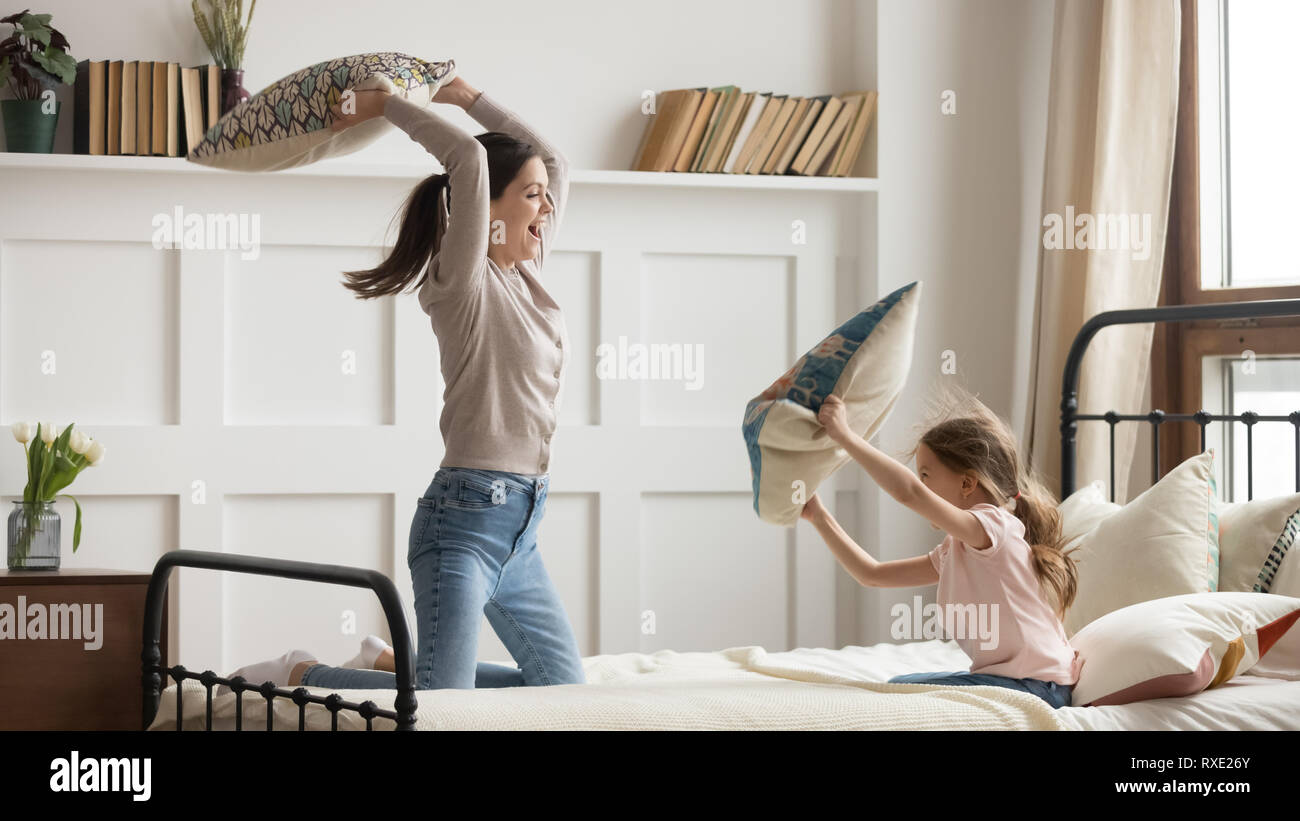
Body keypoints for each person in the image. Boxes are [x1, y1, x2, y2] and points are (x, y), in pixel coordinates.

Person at [219, 73, 585, 695]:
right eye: (531, 196)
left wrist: (472, 100)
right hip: (464, 525)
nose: (547, 207)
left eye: (546, 198)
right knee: (443, 703)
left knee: (561, 686)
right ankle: (300, 672)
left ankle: (389, 664)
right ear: (488, 208)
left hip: (521, 528)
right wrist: (390, 105)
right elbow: (467, 159)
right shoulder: (463, 283)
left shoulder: (528, 273)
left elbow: (555, 161)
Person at [801, 386, 1081, 709]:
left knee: (898, 693)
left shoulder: (994, 527)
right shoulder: (957, 548)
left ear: (967, 483)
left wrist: (846, 436)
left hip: (1039, 688)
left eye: (925, 475)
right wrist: (818, 516)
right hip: (1019, 683)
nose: (921, 485)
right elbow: (871, 574)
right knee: (898, 688)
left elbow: (910, 495)